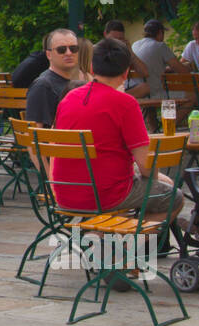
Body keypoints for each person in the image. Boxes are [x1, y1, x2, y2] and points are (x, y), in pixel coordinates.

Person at [49, 39, 181, 215]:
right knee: (174, 197)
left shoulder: (68, 98)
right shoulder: (125, 104)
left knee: (161, 184)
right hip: (106, 196)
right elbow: (146, 165)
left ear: (92, 68)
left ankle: (109, 236)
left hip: (64, 194)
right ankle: (131, 242)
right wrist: (155, 182)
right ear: (126, 73)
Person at [24, 28, 79, 128]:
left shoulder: (75, 82)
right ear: (49, 55)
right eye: (61, 50)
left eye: (73, 48)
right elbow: (34, 133)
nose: (69, 53)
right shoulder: (43, 85)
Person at [130, 19, 188, 100]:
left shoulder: (134, 45)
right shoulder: (160, 46)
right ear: (160, 33)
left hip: (139, 93)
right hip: (155, 93)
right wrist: (189, 68)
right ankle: (171, 113)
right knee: (192, 95)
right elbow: (182, 70)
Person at [104, 20, 150, 98]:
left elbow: (145, 73)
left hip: (123, 90)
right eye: (114, 39)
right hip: (105, 89)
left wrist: (130, 51)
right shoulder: (97, 51)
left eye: (120, 39)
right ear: (105, 34)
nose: (117, 42)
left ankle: (117, 98)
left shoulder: (124, 52)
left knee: (145, 87)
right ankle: (116, 98)